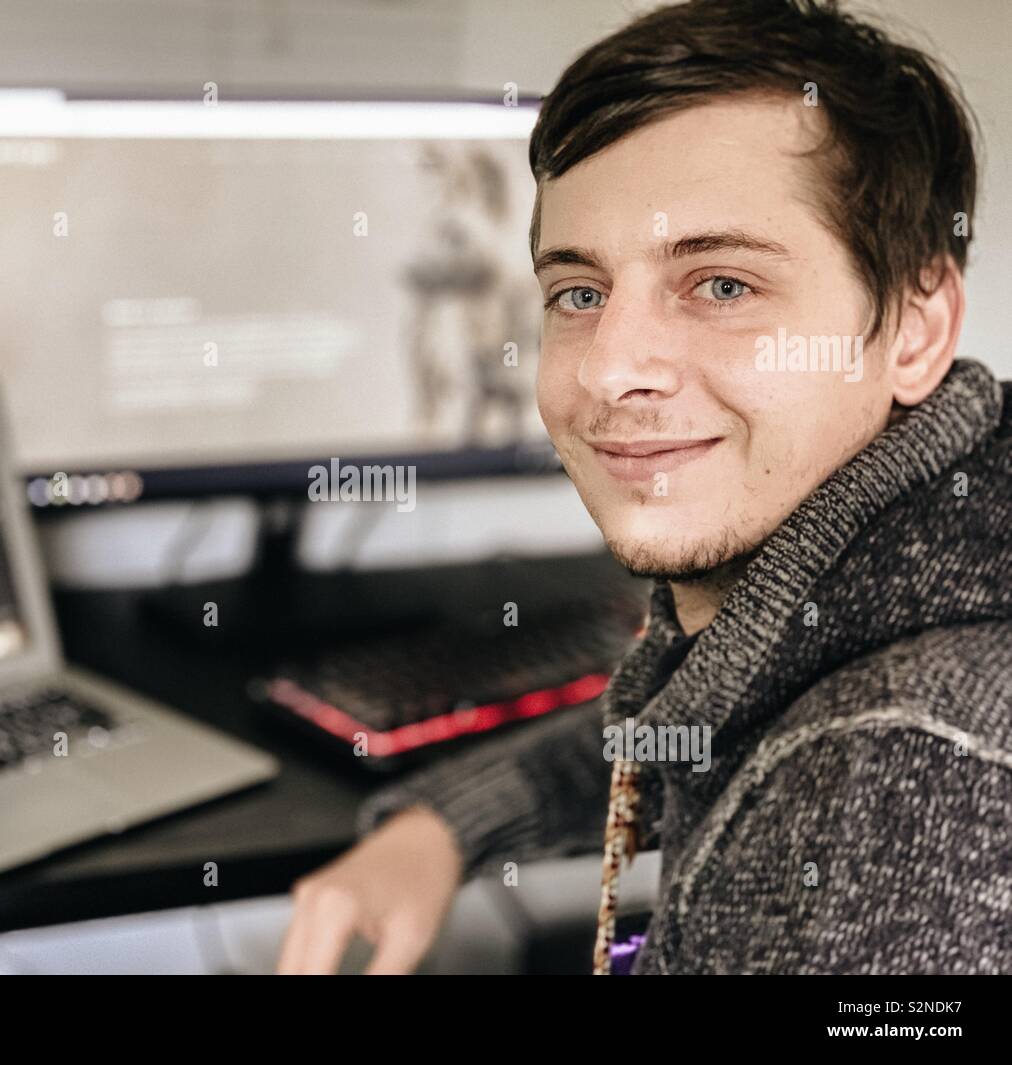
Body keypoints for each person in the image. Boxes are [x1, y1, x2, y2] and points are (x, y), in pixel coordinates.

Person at [276, 0, 1012, 975]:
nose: (609, 369)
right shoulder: (930, 558)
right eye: (578, 294)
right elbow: (707, 705)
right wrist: (444, 828)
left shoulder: (890, 782)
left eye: (721, 286)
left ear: (913, 330)